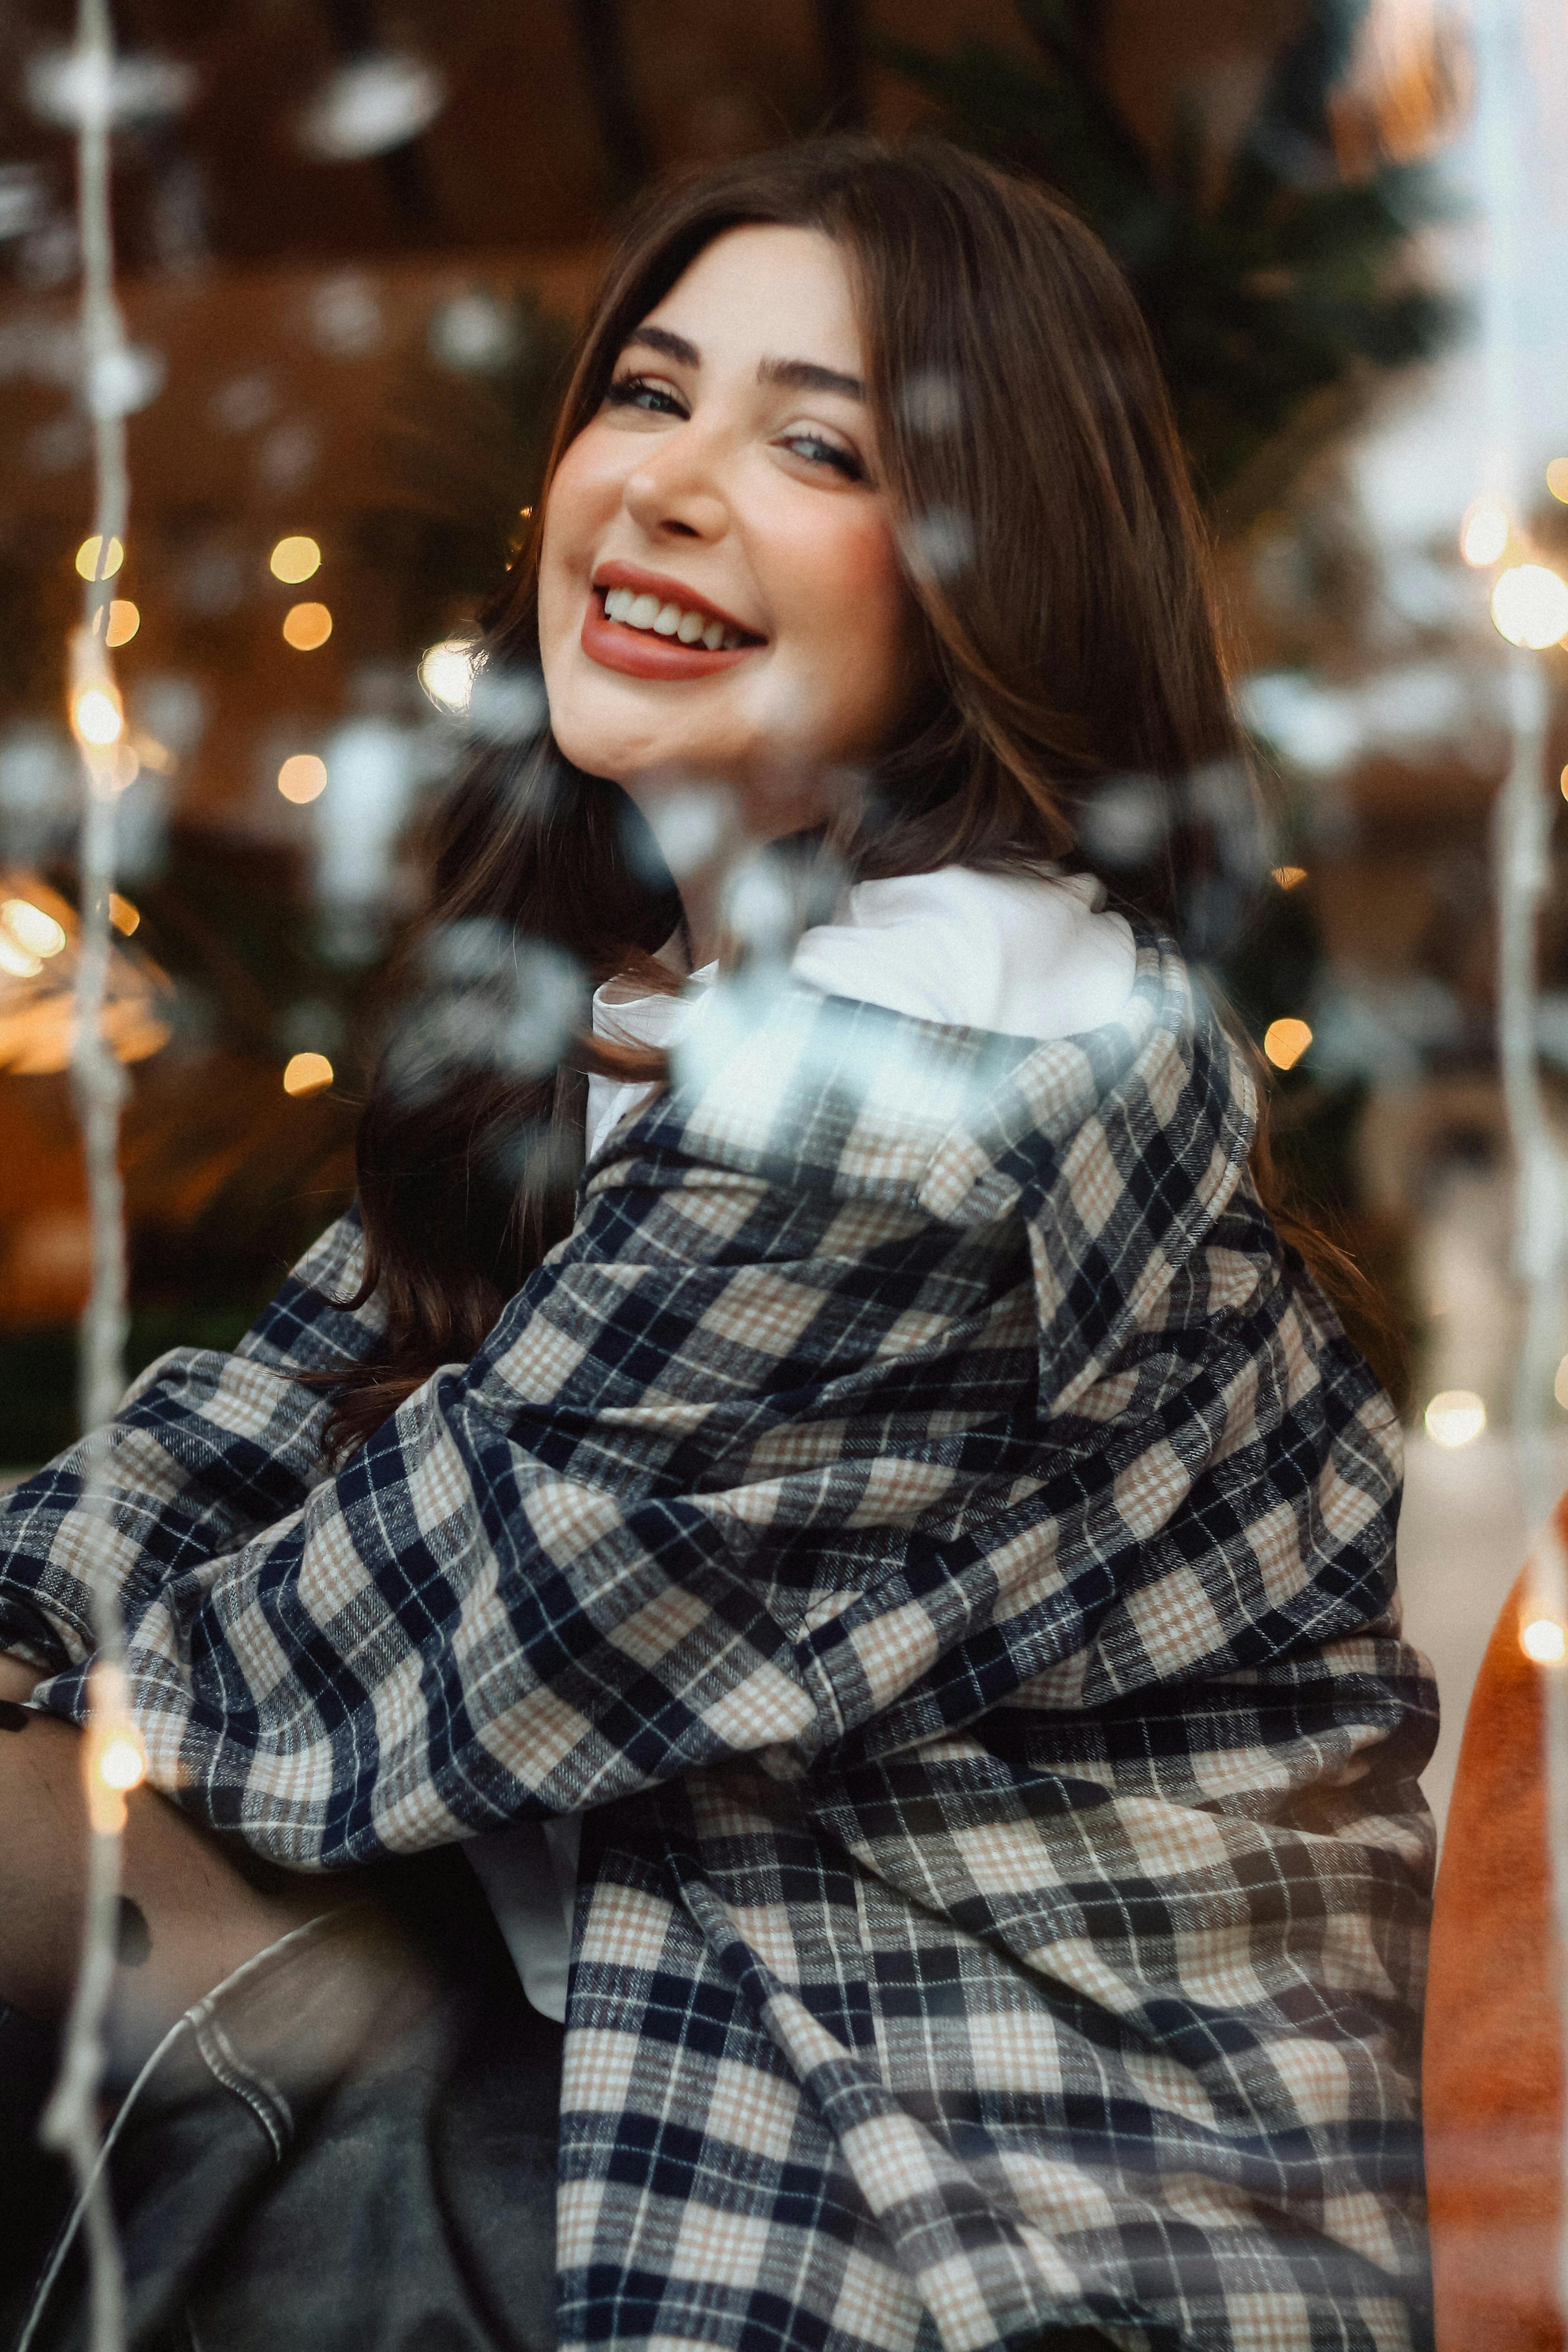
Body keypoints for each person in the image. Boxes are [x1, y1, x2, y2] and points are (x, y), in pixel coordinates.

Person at [0, 138, 1436, 2352]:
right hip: (632, 2060)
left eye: (818, 445)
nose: (668, 484)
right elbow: (232, 1441)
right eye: (649, 396)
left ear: (994, 570)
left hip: (952, 2193)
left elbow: (400, 1644)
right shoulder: (636, 1019)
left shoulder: (984, 1037)